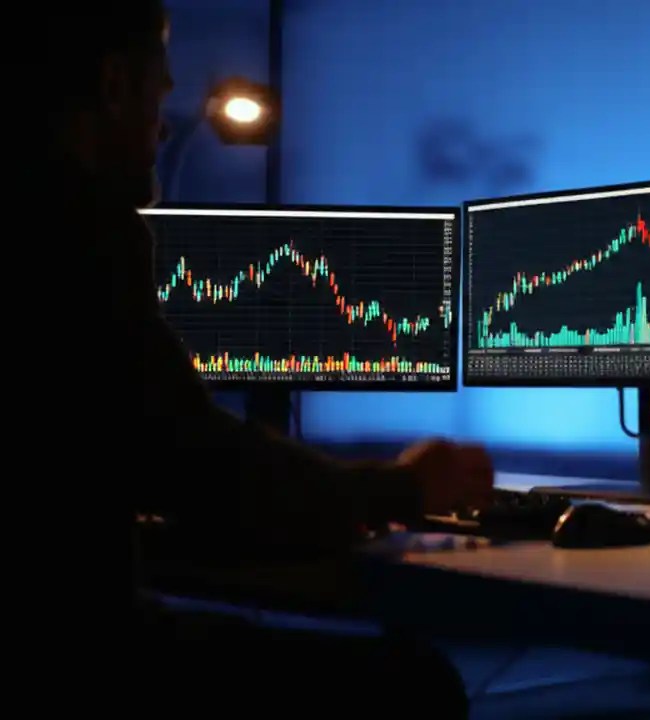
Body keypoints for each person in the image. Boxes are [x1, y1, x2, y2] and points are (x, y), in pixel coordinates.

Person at [43, 2, 488, 714]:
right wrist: (402, 491)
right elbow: (196, 463)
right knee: (415, 685)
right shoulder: (71, 232)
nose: (161, 126)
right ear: (113, 86)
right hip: (76, 658)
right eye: (160, 94)